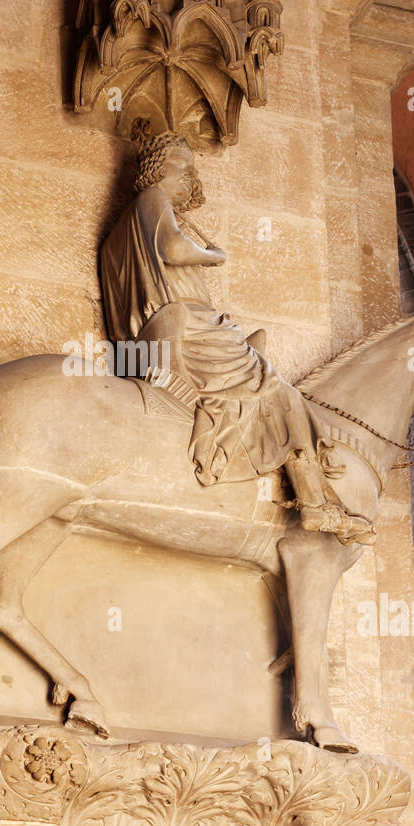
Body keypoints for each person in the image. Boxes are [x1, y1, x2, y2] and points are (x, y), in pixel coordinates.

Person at [100, 120, 373, 544]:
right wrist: (210, 255)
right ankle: (315, 503)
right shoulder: (152, 200)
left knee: (258, 358)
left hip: (157, 338)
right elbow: (173, 249)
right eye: (182, 166)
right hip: (187, 330)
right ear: (158, 168)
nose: (191, 177)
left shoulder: (121, 232)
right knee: (279, 390)